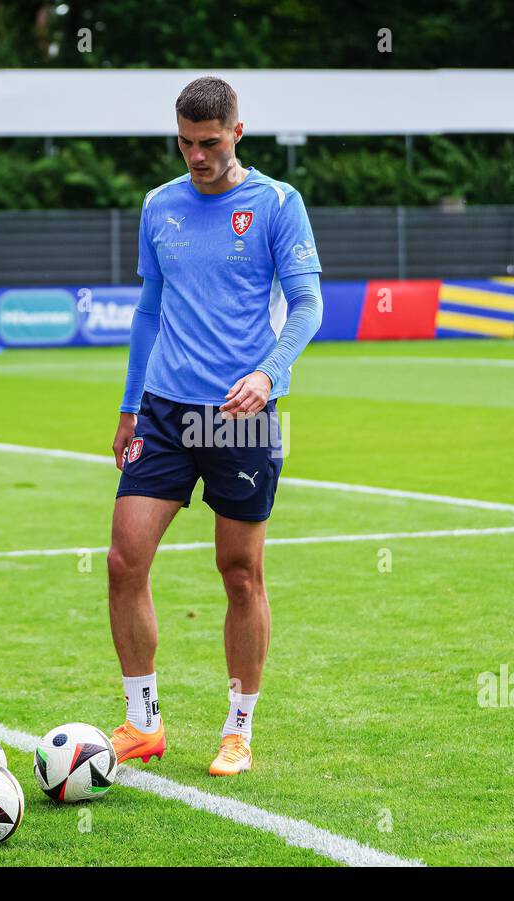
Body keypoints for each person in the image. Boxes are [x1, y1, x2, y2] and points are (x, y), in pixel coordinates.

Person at [107, 75, 323, 776]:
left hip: (240, 417)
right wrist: (129, 406)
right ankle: (143, 723)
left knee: (239, 574)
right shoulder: (158, 206)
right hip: (166, 412)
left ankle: (239, 727)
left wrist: (269, 374)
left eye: (208, 143)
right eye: (185, 142)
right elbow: (149, 311)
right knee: (124, 561)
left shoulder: (277, 205)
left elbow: (308, 305)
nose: (196, 156)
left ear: (237, 134)